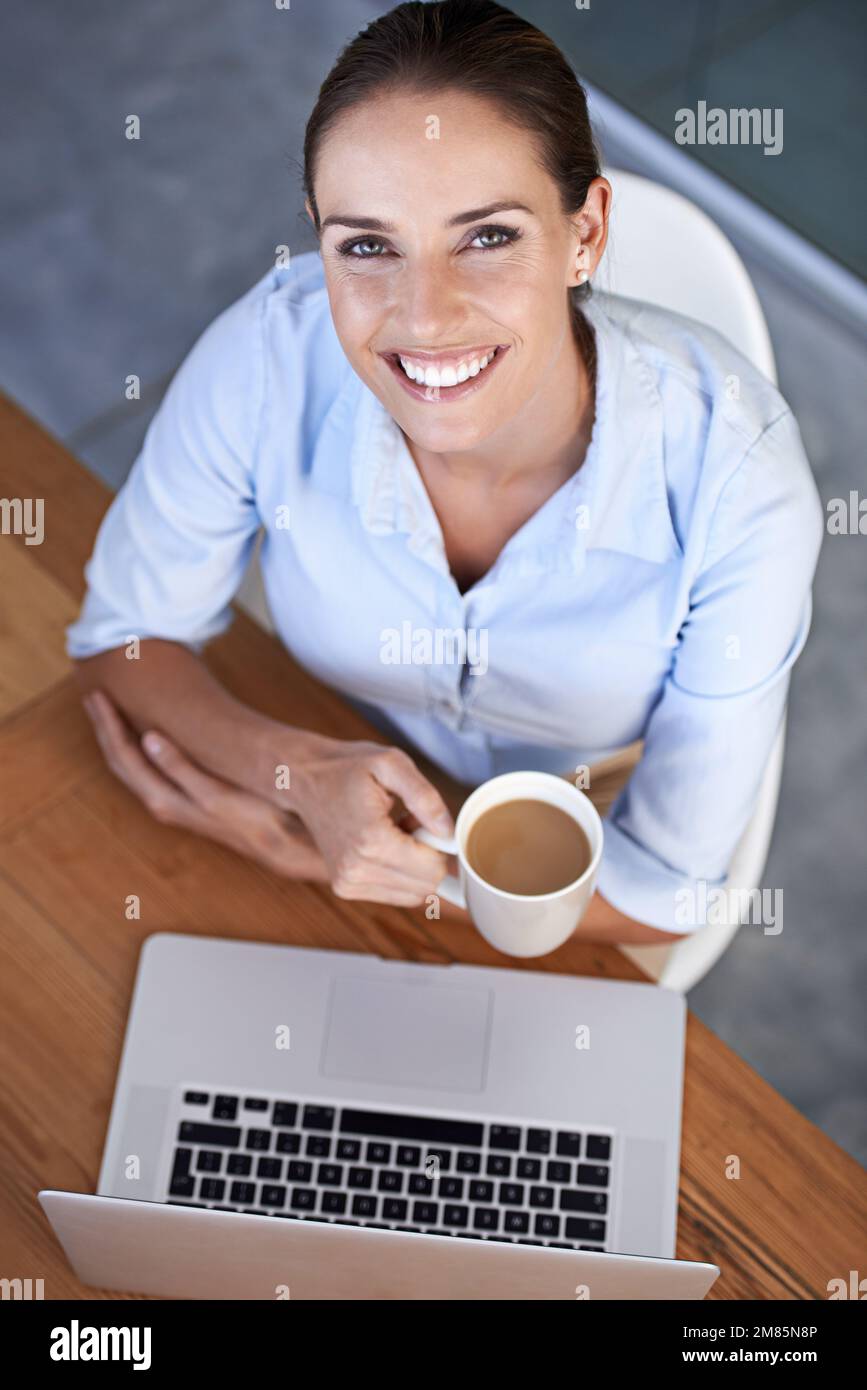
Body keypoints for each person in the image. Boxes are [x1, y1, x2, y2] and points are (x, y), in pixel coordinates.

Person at [68, 0, 823, 945]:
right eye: (368, 246)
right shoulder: (269, 355)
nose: (422, 319)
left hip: (565, 855)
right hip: (335, 749)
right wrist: (293, 776)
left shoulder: (738, 484)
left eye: (487, 236)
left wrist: (381, 868)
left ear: (584, 233)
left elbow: (667, 895)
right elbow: (125, 636)